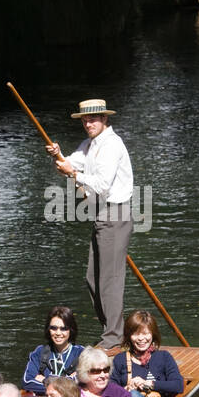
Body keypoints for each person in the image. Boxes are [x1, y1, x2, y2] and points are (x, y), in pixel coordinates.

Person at [46, 98, 133, 351]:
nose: (88, 123)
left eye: (93, 118)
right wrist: (58, 156)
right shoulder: (91, 144)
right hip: (101, 216)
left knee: (110, 279)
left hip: (115, 215)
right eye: (85, 119)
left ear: (105, 119)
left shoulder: (112, 145)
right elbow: (70, 164)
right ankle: (111, 330)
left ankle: (114, 336)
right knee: (93, 279)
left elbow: (102, 183)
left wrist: (73, 173)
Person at [109, 310, 184, 397]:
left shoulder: (163, 357)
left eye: (145, 333)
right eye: (136, 334)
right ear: (129, 336)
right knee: (132, 395)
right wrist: (126, 389)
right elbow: (110, 390)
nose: (141, 339)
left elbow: (178, 385)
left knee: (135, 396)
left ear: (153, 335)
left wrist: (149, 383)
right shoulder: (120, 359)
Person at [22, 305, 84, 396]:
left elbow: (81, 383)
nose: (58, 333)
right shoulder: (39, 352)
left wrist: (45, 380)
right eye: (54, 328)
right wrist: (67, 383)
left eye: (64, 328)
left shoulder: (81, 354)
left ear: (71, 330)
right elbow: (27, 382)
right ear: (48, 329)